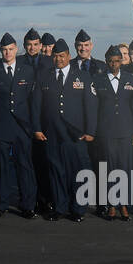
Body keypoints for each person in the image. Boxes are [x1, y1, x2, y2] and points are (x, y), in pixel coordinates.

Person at [34, 37, 95, 222]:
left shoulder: (83, 76)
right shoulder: (44, 76)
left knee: (78, 172)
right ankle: (59, 207)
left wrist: (91, 130)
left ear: (69, 56)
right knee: (56, 171)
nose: (59, 59)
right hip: (52, 133)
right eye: (56, 56)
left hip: (75, 134)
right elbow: (36, 105)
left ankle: (78, 209)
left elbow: (91, 105)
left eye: (62, 56)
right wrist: (37, 128)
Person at [0, 33, 40, 219]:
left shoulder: (28, 71)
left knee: (25, 166)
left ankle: (28, 205)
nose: (7, 52)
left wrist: (32, 126)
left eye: (10, 49)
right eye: (4, 50)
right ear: (0, 51)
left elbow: (33, 101)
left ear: (17, 49)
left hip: (21, 127)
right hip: (0, 126)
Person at [93, 45, 133, 220]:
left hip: (125, 130)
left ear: (121, 61)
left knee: (124, 168)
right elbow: (95, 108)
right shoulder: (98, 79)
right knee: (109, 168)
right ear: (107, 62)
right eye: (111, 61)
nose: (114, 64)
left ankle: (124, 204)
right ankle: (111, 205)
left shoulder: (130, 78)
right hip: (106, 130)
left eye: (117, 61)